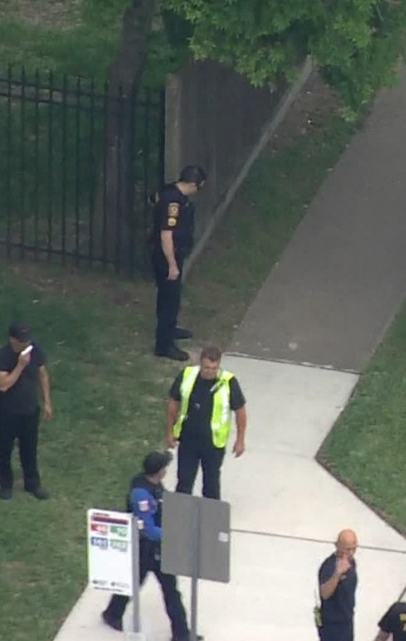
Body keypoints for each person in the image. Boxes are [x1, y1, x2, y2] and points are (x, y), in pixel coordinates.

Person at [101, 451, 199, 641]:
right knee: (166, 590)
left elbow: (164, 502)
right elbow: (148, 529)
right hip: (147, 549)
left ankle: (181, 634)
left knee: (152, 587)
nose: (166, 471)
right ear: (159, 470)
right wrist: (175, 535)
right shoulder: (141, 495)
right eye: (165, 468)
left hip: (157, 548)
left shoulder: (154, 484)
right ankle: (181, 635)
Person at [166, 346, 247, 500]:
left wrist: (240, 440)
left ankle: (211, 519)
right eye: (206, 368)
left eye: (214, 368)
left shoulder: (228, 382)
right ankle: (181, 516)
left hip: (213, 443)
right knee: (184, 480)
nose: (210, 371)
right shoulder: (187, 375)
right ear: (200, 363)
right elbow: (173, 402)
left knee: (211, 484)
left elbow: (240, 412)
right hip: (188, 439)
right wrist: (170, 432)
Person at [149, 165, 206, 361]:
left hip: (172, 254)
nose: (197, 190)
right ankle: (164, 344)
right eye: (198, 186)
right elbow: (166, 234)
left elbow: (153, 198)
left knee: (172, 296)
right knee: (169, 299)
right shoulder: (173, 202)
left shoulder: (169, 191)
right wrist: (172, 264)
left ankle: (170, 328)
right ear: (191, 184)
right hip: (167, 255)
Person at [0, 321, 53, 500]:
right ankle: (5, 485)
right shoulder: (2, 356)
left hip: (29, 409)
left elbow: (43, 373)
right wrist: (20, 365)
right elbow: (3, 385)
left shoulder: (34, 350)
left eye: (27, 340)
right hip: (7, 412)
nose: (26, 344)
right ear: (12, 340)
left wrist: (47, 401)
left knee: (29, 448)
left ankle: (32, 483)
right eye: (22, 340)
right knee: (4, 449)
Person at [317, 529, 359, 641]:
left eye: (353, 549)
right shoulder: (329, 566)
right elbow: (324, 593)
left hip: (346, 621)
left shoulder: (351, 562)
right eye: (347, 549)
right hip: (332, 625)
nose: (350, 553)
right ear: (337, 546)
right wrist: (337, 574)